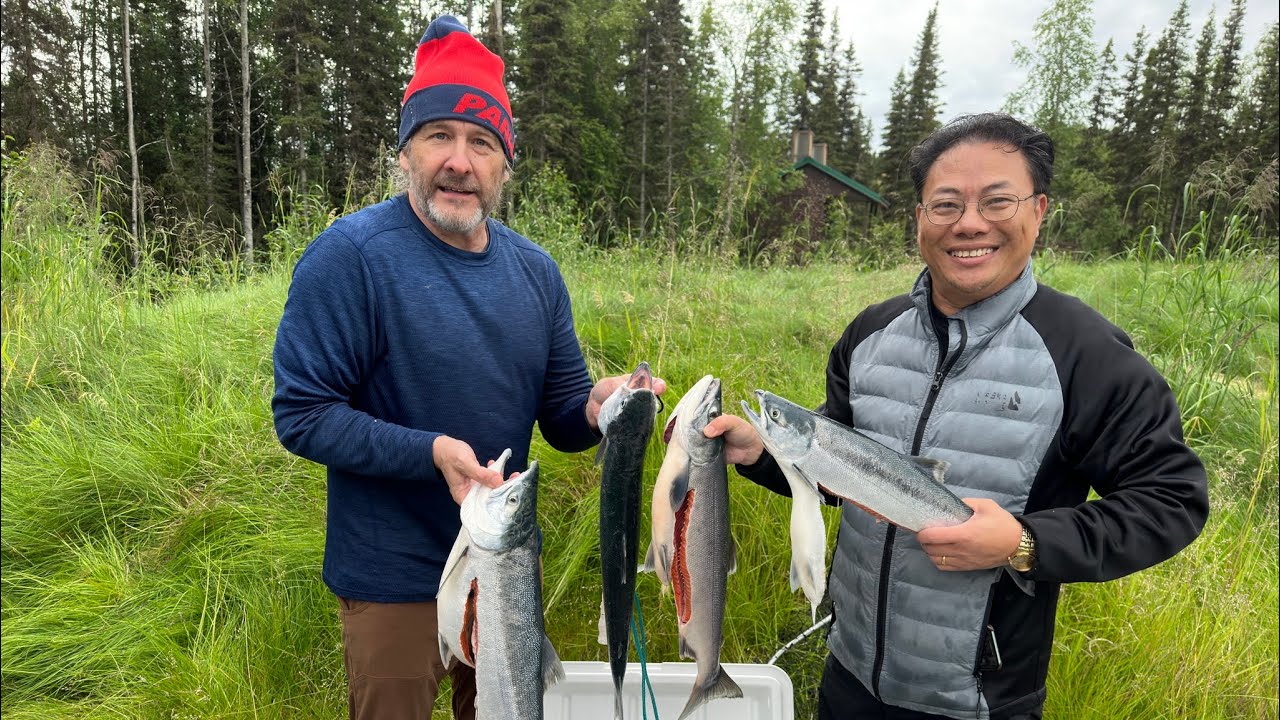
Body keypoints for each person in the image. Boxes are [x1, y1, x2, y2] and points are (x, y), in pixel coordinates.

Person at [707, 113, 1209, 720]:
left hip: (981, 700)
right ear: (920, 218)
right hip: (850, 678)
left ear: (1039, 209)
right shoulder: (870, 333)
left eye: (998, 201)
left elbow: (1173, 500)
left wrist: (1025, 543)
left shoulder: (1086, 355)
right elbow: (848, 473)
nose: (969, 223)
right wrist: (762, 452)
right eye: (945, 204)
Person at [271, 16, 663, 720]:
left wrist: (603, 405)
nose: (460, 161)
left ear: (504, 164)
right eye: (439, 136)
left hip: (505, 568)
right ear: (404, 154)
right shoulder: (351, 257)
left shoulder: (536, 273)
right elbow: (302, 415)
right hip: (392, 581)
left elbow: (564, 413)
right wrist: (431, 453)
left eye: (481, 142)